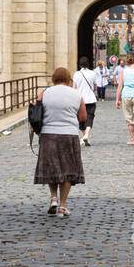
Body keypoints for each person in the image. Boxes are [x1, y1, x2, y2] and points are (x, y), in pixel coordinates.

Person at [34, 67, 86, 216]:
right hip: (69, 135)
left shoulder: (44, 93)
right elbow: (82, 117)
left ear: (54, 78)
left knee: (52, 168)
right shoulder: (76, 94)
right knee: (68, 170)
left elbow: (36, 112)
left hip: (48, 134)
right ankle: (62, 205)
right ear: (68, 78)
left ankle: (53, 198)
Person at [73, 57, 99, 146]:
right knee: (90, 117)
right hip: (91, 99)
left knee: (81, 118)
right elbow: (95, 87)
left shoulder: (76, 74)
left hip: (80, 100)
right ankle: (87, 134)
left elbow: (74, 88)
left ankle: (82, 137)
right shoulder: (93, 73)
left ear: (79, 64)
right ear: (88, 64)